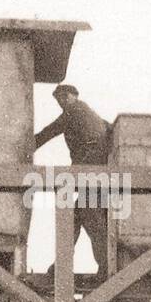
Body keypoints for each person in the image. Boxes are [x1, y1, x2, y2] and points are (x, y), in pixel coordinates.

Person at [34, 84, 112, 278]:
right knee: (75, 218)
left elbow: (49, 131)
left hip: (90, 173)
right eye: (58, 99)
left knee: (90, 217)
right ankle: (63, 265)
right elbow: (108, 129)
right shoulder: (90, 113)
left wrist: (28, 146)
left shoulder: (75, 110)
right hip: (96, 173)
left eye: (64, 97)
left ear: (74, 96)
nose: (61, 102)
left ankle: (106, 267)